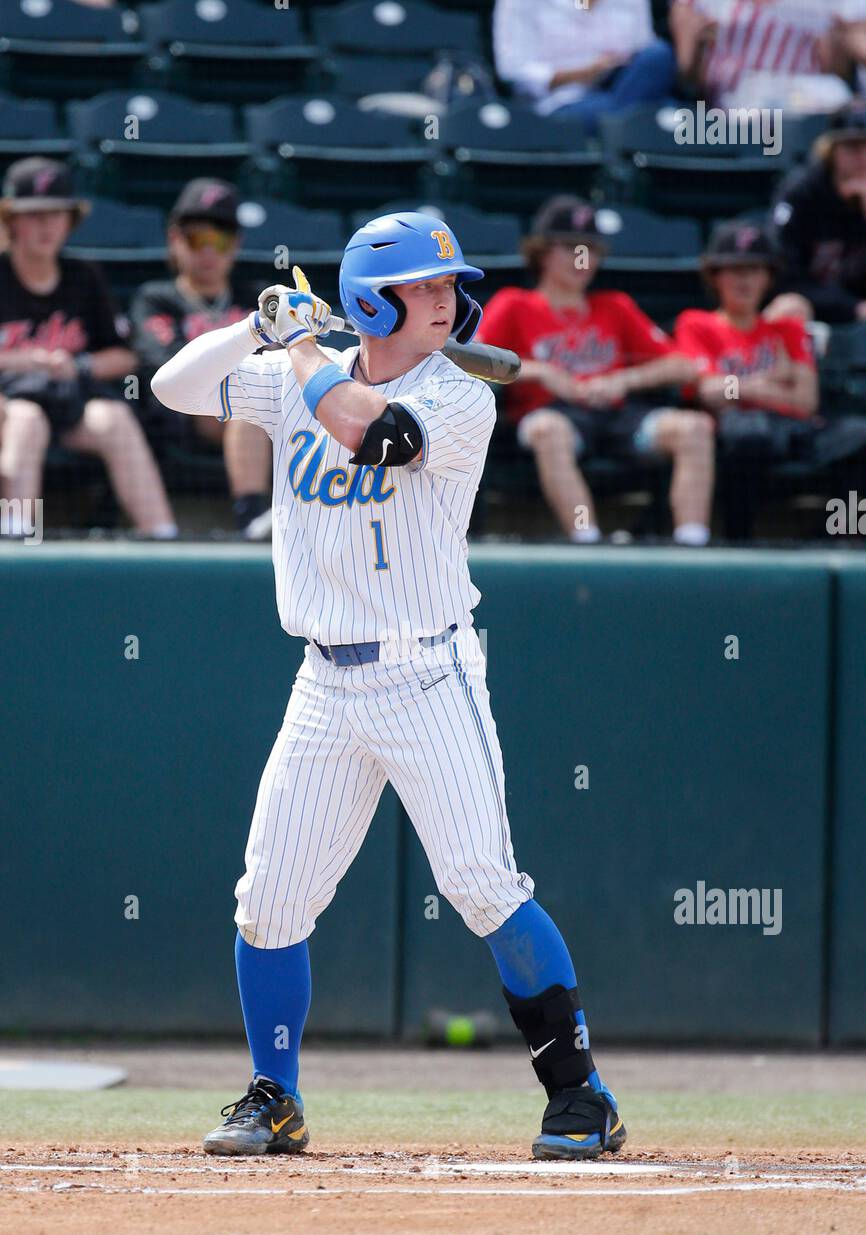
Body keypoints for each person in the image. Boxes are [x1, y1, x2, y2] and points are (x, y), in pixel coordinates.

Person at [151, 211, 628, 1162]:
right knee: (270, 901)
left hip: (426, 671)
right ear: (373, 299)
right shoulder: (302, 376)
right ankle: (274, 1096)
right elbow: (172, 387)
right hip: (323, 683)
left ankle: (582, 1098)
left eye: (450, 284)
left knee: (484, 885)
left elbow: (365, 432)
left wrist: (299, 356)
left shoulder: (459, 399)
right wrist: (262, 325)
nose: (447, 298)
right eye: (422, 286)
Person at [477, 196, 715, 545]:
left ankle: (693, 544)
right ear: (542, 252)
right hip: (551, 415)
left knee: (695, 427)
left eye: (590, 249)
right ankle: (587, 539)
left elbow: (683, 365)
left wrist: (624, 380)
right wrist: (541, 371)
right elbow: (473, 360)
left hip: (618, 418)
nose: (582, 259)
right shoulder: (515, 304)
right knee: (549, 429)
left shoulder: (614, 305)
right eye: (570, 247)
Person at [0, 157, 176, 536]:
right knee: (26, 421)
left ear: (70, 220)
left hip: (68, 399)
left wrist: (76, 365)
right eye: (34, 215)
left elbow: (124, 355)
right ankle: (14, 538)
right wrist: (19, 360)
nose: (46, 226)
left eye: (56, 214)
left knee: (115, 418)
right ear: (12, 220)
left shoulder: (83, 275)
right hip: (9, 404)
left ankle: (163, 535)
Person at [676, 221, 866, 537]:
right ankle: (740, 539)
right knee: (749, 433)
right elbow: (708, 391)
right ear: (715, 276)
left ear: (768, 277)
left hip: (793, 428)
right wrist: (773, 380)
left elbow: (805, 401)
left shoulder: (786, 328)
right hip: (738, 430)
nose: (744, 280)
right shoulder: (697, 323)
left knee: (859, 435)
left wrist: (738, 385)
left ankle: (841, 534)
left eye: (754, 270)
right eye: (734, 270)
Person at [130, 180, 273, 539]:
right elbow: (162, 360)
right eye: (197, 239)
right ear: (174, 239)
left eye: (220, 241)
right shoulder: (156, 298)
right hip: (184, 412)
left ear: (236, 245)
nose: (209, 252)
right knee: (246, 403)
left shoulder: (256, 297)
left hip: (261, 404)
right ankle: (252, 516)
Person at [492, 0, 676, 133]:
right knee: (658, 121)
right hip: (560, 101)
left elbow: (644, 56)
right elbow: (513, 71)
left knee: (658, 54)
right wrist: (586, 73)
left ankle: (629, 123)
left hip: (625, 88)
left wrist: (618, 65)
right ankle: (629, 125)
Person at [670, 0, 866, 113]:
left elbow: (835, 72)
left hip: (802, 108)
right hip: (730, 110)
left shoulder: (824, 6)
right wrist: (697, 40)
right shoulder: (697, 5)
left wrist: (840, 34)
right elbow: (687, 76)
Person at [768, 105, 866, 325]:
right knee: (789, 307)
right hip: (810, 308)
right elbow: (782, 274)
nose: (862, 156)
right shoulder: (802, 192)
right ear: (831, 150)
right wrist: (851, 307)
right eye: (852, 146)